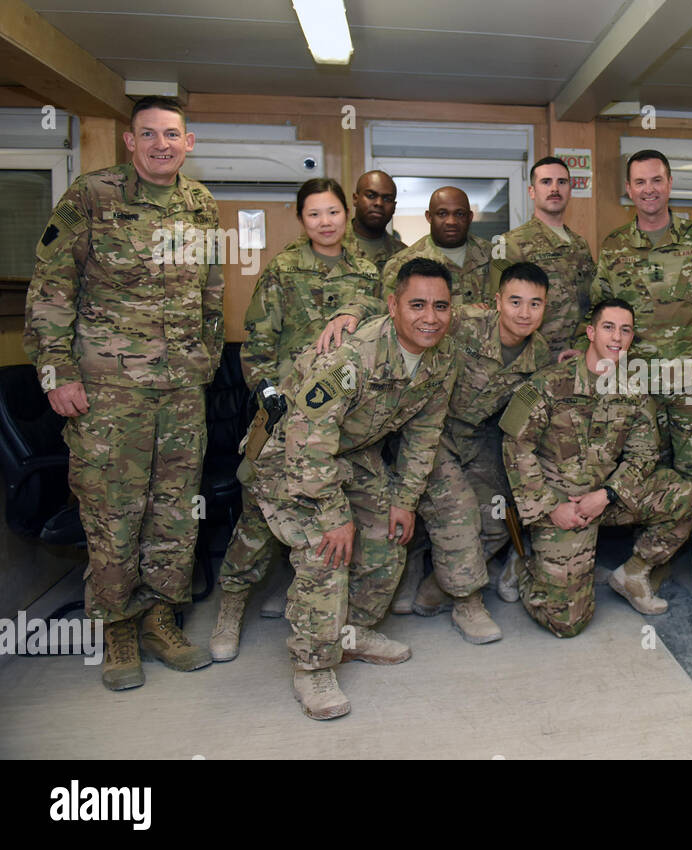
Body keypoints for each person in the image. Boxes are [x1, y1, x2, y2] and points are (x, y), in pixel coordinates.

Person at [25, 95, 223, 691]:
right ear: (129, 142)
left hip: (182, 388)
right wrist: (56, 372)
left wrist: (208, 359)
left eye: (172, 134)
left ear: (188, 143)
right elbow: (52, 286)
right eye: (149, 133)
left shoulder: (201, 204)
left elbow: (212, 290)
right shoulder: (92, 194)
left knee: (174, 512)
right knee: (113, 512)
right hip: (109, 391)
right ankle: (117, 630)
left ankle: (161, 620)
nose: (162, 143)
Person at [245, 258, 458, 719]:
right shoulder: (350, 357)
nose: (430, 317)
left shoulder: (444, 356)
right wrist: (332, 515)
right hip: (286, 454)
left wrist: (404, 500)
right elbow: (305, 435)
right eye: (417, 304)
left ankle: (349, 633)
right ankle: (311, 666)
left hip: (348, 451)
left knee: (388, 534)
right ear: (393, 305)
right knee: (326, 550)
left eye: (441, 306)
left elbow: (425, 430)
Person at [208, 177, 383, 661]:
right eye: (314, 214)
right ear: (301, 219)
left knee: (334, 515)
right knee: (258, 520)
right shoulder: (284, 270)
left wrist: (353, 308)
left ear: (346, 215)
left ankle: (326, 615)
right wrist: (268, 397)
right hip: (283, 414)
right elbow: (258, 346)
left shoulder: (367, 272)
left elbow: (380, 319)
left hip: (341, 417)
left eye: (332, 212)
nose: (325, 223)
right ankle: (233, 602)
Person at [583, 150, 692, 616]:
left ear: (669, 184)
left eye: (656, 180)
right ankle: (655, 559)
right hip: (637, 385)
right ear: (628, 190)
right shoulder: (613, 247)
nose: (648, 189)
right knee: (648, 471)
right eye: (639, 182)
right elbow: (600, 315)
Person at [502, 299, 692, 637]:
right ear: (591, 332)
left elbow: (643, 455)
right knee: (567, 624)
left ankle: (633, 573)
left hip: (604, 499)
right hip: (560, 506)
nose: (617, 337)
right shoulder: (549, 383)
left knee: (684, 495)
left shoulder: (634, 390)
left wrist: (607, 495)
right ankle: (524, 564)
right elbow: (515, 446)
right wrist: (551, 508)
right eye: (609, 327)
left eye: (625, 330)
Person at [408, 262, 552, 642]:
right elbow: (407, 327)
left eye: (535, 304)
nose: (524, 313)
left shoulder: (540, 356)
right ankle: (467, 602)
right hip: (433, 432)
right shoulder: (461, 323)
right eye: (515, 301)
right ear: (496, 302)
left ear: (545, 308)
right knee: (458, 510)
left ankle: (441, 581)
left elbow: (520, 416)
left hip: (481, 440)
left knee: (498, 514)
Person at [491, 156, 596, 362]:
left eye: (562, 182)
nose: (554, 188)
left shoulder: (580, 245)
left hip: (577, 360)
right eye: (546, 182)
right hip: (532, 363)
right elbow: (497, 312)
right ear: (532, 191)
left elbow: (592, 303)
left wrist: (584, 346)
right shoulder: (509, 244)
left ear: (570, 191)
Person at [379, 186, 493, 303]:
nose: (451, 222)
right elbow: (394, 315)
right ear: (429, 217)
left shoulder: (493, 256)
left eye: (459, 214)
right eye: (442, 214)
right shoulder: (401, 264)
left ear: (470, 217)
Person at [344, 170, 406, 271]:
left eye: (387, 199)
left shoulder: (404, 256)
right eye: (371, 196)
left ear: (394, 207)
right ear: (355, 199)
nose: (379, 203)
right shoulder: (331, 245)